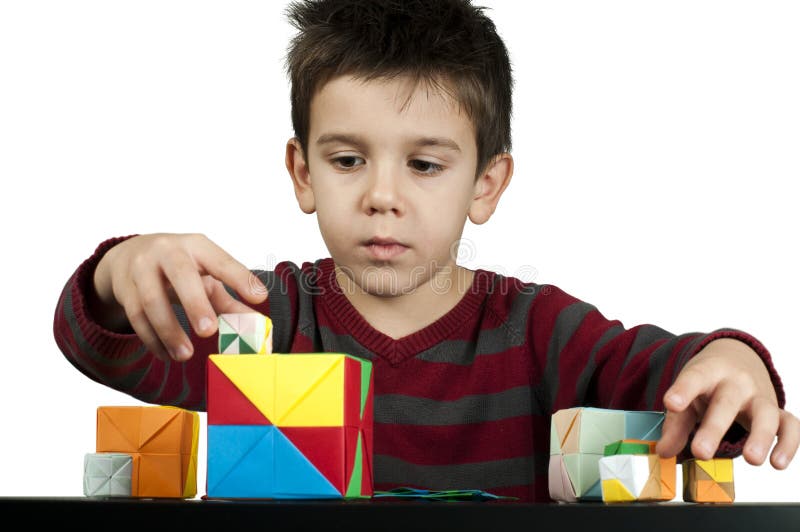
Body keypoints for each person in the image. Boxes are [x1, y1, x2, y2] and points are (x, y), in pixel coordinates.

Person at [53, 0, 798, 502]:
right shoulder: (259, 314)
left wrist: (732, 363)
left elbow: (674, 389)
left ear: (486, 184)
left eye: (425, 164)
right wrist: (123, 275)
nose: (383, 195)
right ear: (302, 173)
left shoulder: (539, 331)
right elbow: (103, 341)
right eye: (348, 161)